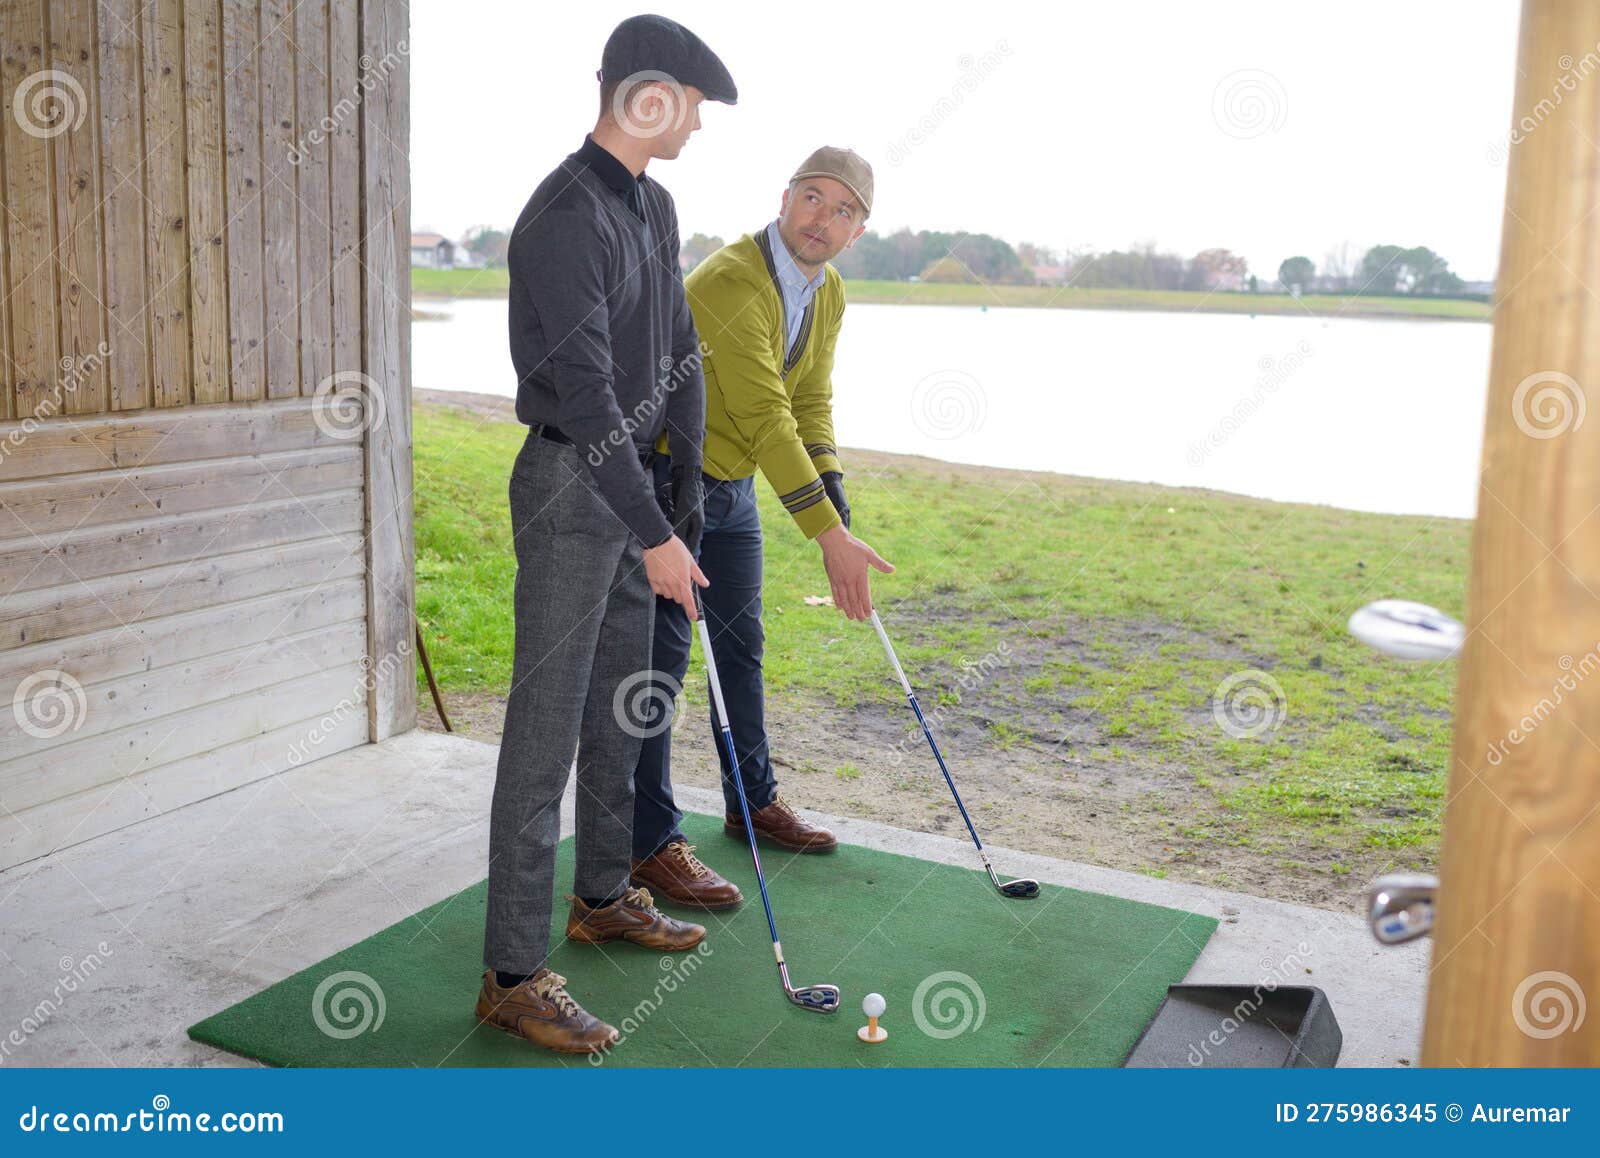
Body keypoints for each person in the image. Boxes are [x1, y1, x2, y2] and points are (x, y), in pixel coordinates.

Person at [476, 14, 737, 1055]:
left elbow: (679, 350)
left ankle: (601, 898)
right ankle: (508, 972)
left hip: (635, 497)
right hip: (568, 489)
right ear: (649, 98)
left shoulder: (655, 204)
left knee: (626, 707)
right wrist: (648, 526)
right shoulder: (561, 216)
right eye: (695, 108)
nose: (700, 128)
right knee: (541, 744)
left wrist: (681, 510)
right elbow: (585, 397)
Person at [629, 148, 894, 910]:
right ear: (784, 199)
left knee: (740, 648)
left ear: (857, 231)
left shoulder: (828, 288)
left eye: (843, 210)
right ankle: (650, 843)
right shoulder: (730, 281)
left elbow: (809, 400)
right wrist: (824, 536)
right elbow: (764, 411)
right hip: (669, 484)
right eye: (813, 198)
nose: (823, 219)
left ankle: (751, 803)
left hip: (734, 489)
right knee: (662, 661)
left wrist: (835, 508)